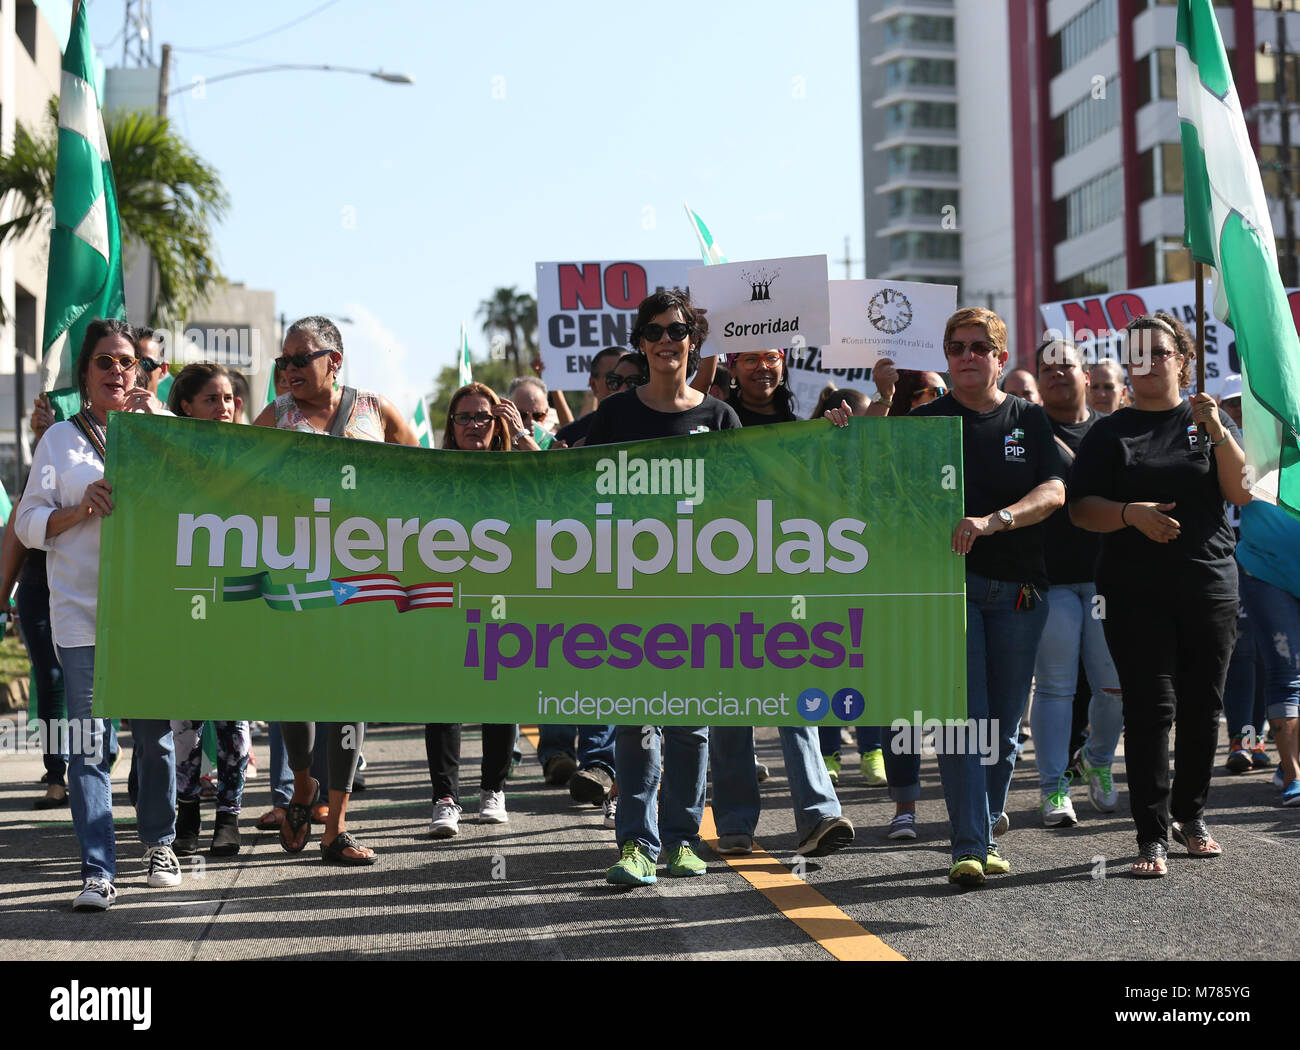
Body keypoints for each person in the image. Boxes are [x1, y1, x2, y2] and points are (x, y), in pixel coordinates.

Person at [831, 306, 1067, 887]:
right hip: (947, 591)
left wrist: (996, 520)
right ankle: (969, 845)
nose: (966, 356)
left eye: (978, 347)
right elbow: (868, 478)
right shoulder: (925, 421)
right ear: (945, 357)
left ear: (1000, 358)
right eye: (956, 347)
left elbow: (1057, 490)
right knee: (966, 721)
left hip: (1020, 589)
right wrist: (846, 431)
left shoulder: (1030, 419)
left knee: (1005, 725)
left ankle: (982, 831)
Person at [1070, 312, 1249, 878]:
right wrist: (1130, 515)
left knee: (1204, 707)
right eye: (1135, 351)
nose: (1145, 359)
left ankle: (1191, 816)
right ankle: (1151, 835)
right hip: (1135, 591)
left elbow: (1241, 491)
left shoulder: (1206, 422)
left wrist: (1218, 432)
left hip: (1209, 582)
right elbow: (1081, 510)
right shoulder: (1109, 431)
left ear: (1183, 359)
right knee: (1150, 710)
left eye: (1158, 350)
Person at [16, 318, 182, 910]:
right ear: (85, 375)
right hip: (82, 613)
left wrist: (155, 418)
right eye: (105, 362)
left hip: (150, 612)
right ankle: (97, 869)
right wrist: (79, 509)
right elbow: (28, 523)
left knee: (157, 740)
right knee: (90, 743)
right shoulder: (60, 440)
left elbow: (194, 498)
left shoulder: (159, 429)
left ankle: (161, 842)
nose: (118, 370)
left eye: (128, 362)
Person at [585, 289, 740, 885]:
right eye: (653, 332)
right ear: (641, 344)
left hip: (701, 592)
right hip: (631, 592)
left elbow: (743, 503)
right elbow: (583, 495)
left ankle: (680, 839)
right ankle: (636, 845)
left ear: (692, 340)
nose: (666, 341)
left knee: (690, 723)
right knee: (636, 722)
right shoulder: (617, 416)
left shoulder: (720, 418)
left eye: (677, 331)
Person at [253, 316, 420, 864]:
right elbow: (230, 479)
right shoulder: (275, 418)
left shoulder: (375, 410)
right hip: (294, 573)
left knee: (350, 693)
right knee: (294, 691)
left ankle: (337, 827)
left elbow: (424, 475)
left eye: (302, 358)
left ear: (335, 360)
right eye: (285, 360)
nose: (290, 368)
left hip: (361, 578)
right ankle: (303, 783)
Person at [427, 382, 530, 837]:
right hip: (448, 597)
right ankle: (444, 799)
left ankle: (493, 790)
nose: (473, 425)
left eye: (483, 417)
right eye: (463, 417)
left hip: (505, 597)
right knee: (445, 697)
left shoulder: (514, 469)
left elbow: (552, 490)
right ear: (450, 424)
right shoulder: (435, 470)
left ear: (498, 422)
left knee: (500, 695)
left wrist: (523, 436)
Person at [1031, 338, 1123, 826]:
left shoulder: (1113, 431)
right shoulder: (1023, 427)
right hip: (1052, 579)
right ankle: (1053, 787)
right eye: (1046, 368)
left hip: (1108, 579)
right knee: (1055, 687)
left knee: (1113, 688)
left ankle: (1100, 760)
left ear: (1086, 376)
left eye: (1066, 365)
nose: (1056, 373)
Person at [167, 363, 249, 855]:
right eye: (212, 399)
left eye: (228, 399)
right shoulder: (166, 455)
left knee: (233, 714)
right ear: (185, 406)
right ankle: (187, 814)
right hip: (181, 598)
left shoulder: (251, 454)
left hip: (238, 598)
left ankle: (229, 816)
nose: (224, 407)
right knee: (185, 717)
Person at [1236, 497, 1300, 805]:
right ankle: (1293, 776)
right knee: (1285, 672)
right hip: (1266, 568)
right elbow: (1235, 491)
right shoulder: (1255, 445)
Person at [553, 347, 627, 447]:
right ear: (593, 385)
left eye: (633, 380)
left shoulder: (654, 424)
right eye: (613, 379)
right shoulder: (569, 437)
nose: (624, 388)